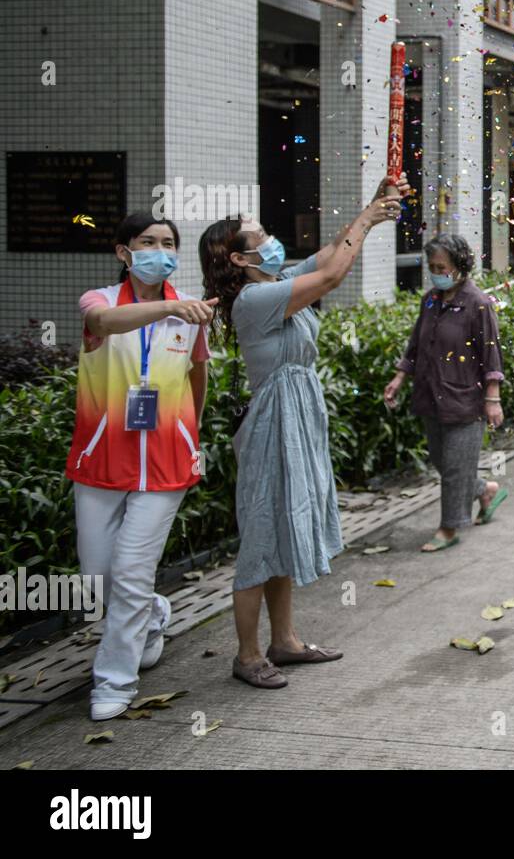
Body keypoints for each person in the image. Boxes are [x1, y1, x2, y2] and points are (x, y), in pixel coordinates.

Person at [199, 179, 405, 689]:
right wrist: (372, 220)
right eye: (258, 235)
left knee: (285, 531)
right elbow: (335, 274)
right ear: (240, 260)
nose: (269, 238)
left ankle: (284, 641)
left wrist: (369, 205)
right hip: (272, 423)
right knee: (261, 536)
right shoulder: (254, 299)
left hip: (297, 416)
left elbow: (331, 251)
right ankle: (246, 656)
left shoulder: (277, 280)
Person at [66, 213, 216, 721]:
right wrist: (172, 306)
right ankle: (155, 613)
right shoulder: (100, 302)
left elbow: (198, 375)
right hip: (101, 459)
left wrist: (187, 433)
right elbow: (103, 328)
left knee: (131, 571)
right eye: (147, 242)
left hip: (164, 464)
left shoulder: (191, 317)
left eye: (169, 242)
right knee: (99, 578)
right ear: (123, 252)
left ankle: (114, 681)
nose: (160, 250)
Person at [383, 233, 507, 552]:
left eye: (442, 266)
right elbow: (415, 345)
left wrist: (493, 399)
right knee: (442, 461)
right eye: (432, 266)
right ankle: (484, 489)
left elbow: (491, 354)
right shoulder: (430, 300)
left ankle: (449, 528)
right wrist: (399, 378)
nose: (436, 271)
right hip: (430, 396)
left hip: (466, 400)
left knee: (454, 468)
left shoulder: (478, 303)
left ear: (460, 265)